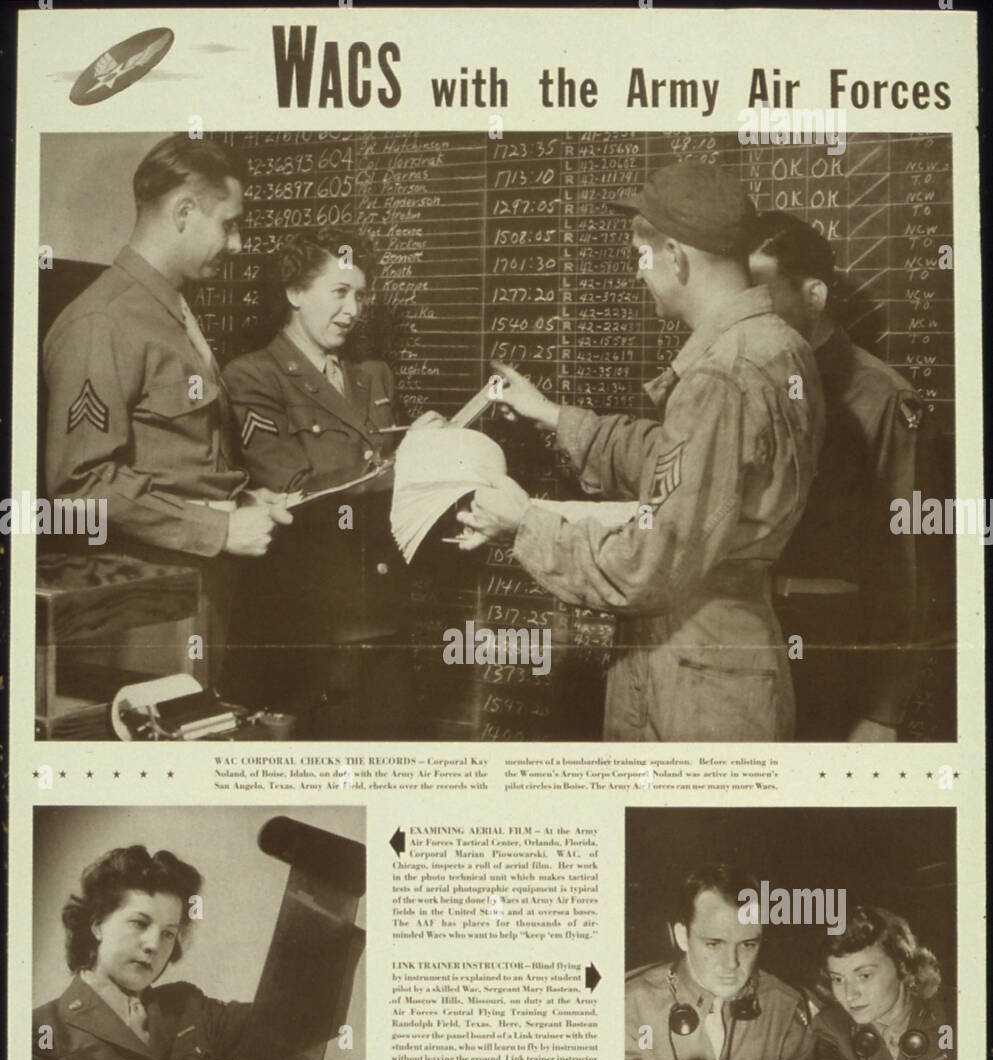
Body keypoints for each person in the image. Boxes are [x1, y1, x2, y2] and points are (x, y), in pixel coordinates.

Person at [457, 162, 824, 741]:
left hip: (694, 680)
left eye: (641, 256)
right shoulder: (779, 345)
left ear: (676, 256)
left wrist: (522, 524)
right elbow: (682, 462)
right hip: (735, 662)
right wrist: (553, 416)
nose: (637, 273)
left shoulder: (718, 379)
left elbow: (646, 567)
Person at [42, 134, 293, 682]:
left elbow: (174, 459)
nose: (238, 243)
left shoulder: (170, 312)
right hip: (147, 605)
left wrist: (240, 499)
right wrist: (217, 531)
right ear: (183, 212)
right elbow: (79, 485)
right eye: (229, 223)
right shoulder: (103, 322)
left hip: (198, 587)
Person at [221, 228, 441, 735]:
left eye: (360, 295)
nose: (353, 310)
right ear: (295, 293)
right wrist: (406, 461)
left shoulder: (374, 375)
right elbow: (296, 487)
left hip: (384, 619)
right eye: (339, 292)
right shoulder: (252, 376)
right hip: (305, 629)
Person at [747, 212, 942, 740]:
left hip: (830, 659)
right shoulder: (745, 384)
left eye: (760, 293)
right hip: (741, 651)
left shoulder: (880, 398)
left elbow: (912, 566)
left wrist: (884, 710)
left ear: (814, 295)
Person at [33, 846, 251, 1060]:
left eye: (169, 933)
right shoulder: (44, 1029)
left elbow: (288, 1024)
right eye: (139, 923)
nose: (154, 945)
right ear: (97, 923)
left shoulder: (187, 1005)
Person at [625, 864, 812, 1060]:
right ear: (681, 936)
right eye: (714, 944)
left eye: (748, 944)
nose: (732, 964)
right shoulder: (632, 1003)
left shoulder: (785, 1009)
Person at [809, 906, 955, 1060]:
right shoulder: (831, 1030)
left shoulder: (957, 1010)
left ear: (903, 966)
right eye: (838, 979)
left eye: (864, 976)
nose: (850, 994)